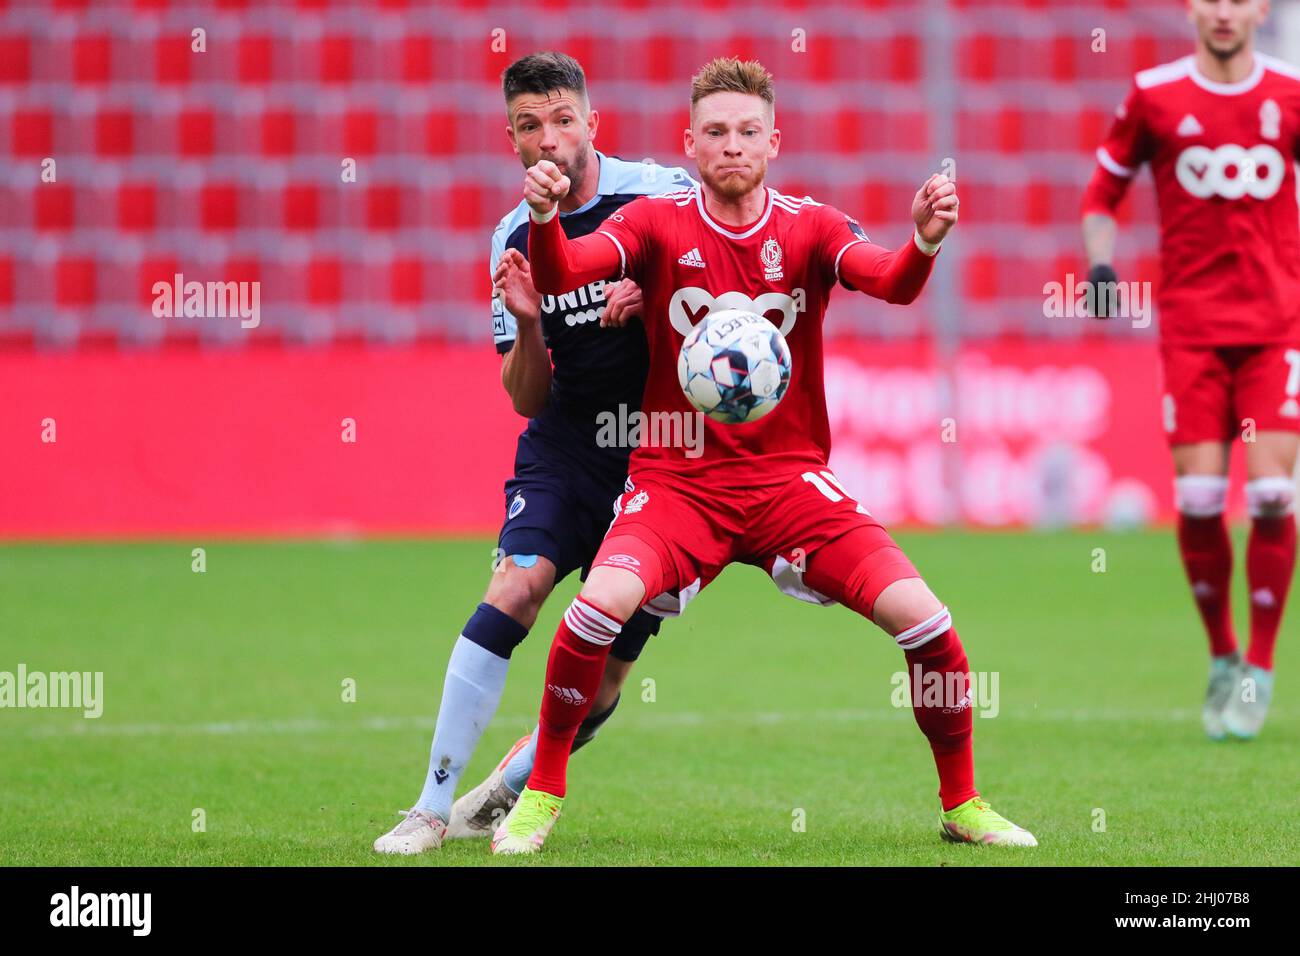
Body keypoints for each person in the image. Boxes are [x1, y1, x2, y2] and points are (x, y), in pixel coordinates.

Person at [491, 57, 1037, 854]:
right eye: (715, 132)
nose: (732, 146)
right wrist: (543, 221)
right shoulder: (656, 223)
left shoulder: (810, 225)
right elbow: (570, 268)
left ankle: (963, 803)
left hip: (789, 481)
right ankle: (541, 792)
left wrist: (921, 241)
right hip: (679, 481)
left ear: (774, 141)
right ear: (690, 142)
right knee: (594, 609)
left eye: (748, 132)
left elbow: (889, 282)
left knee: (930, 625)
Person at [374, 51, 693, 854]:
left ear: (593, 123)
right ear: (510, 138)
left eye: (561, 120)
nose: (548, 140)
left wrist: (653, 294)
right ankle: (429, 806)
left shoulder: (659, 196)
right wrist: (526, 322)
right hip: (567, 448)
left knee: (609, 671)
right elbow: (525, 397)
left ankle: (512, 784)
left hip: (660, 456)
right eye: (529, 126)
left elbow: (716, 303)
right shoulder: (510, 239)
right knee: (516, 588)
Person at [1081, 0, 1300, 740]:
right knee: (1203, 497)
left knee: (1272, 494)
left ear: (1259, 10)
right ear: (1192, 9)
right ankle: (1221, 655)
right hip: (1193, 334)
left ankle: (1261, 670)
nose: (1225, 12)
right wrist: (1102, 261)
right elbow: (1102, 190)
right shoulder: (1155, 94)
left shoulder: (1291, 95)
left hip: (1276, 330)